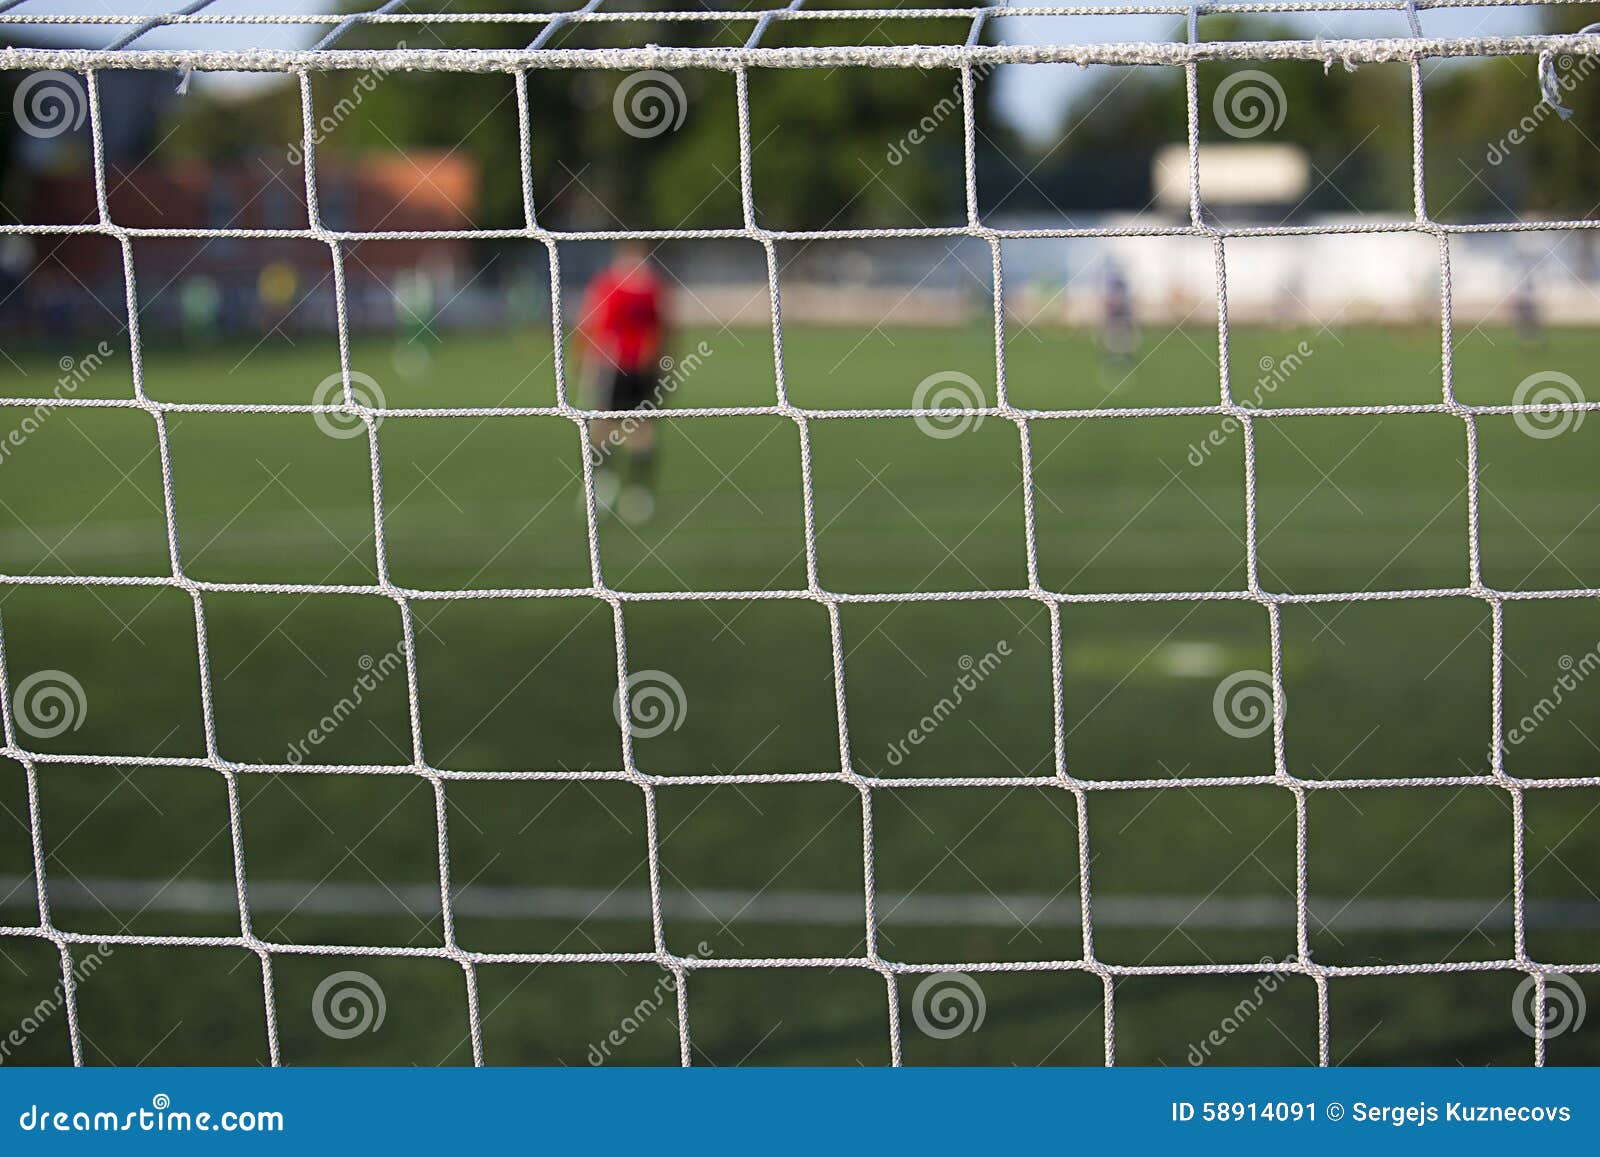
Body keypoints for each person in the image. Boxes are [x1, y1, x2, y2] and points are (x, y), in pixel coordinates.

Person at [576, 241, 667, 526]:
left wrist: (582, 363)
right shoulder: (652, 287)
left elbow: (590, 323)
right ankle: (634, 493)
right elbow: (664, 330)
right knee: (637, 429)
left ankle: (609, 486)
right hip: (639, 365)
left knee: (606, 427)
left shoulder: (610, 285)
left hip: (614, 365)